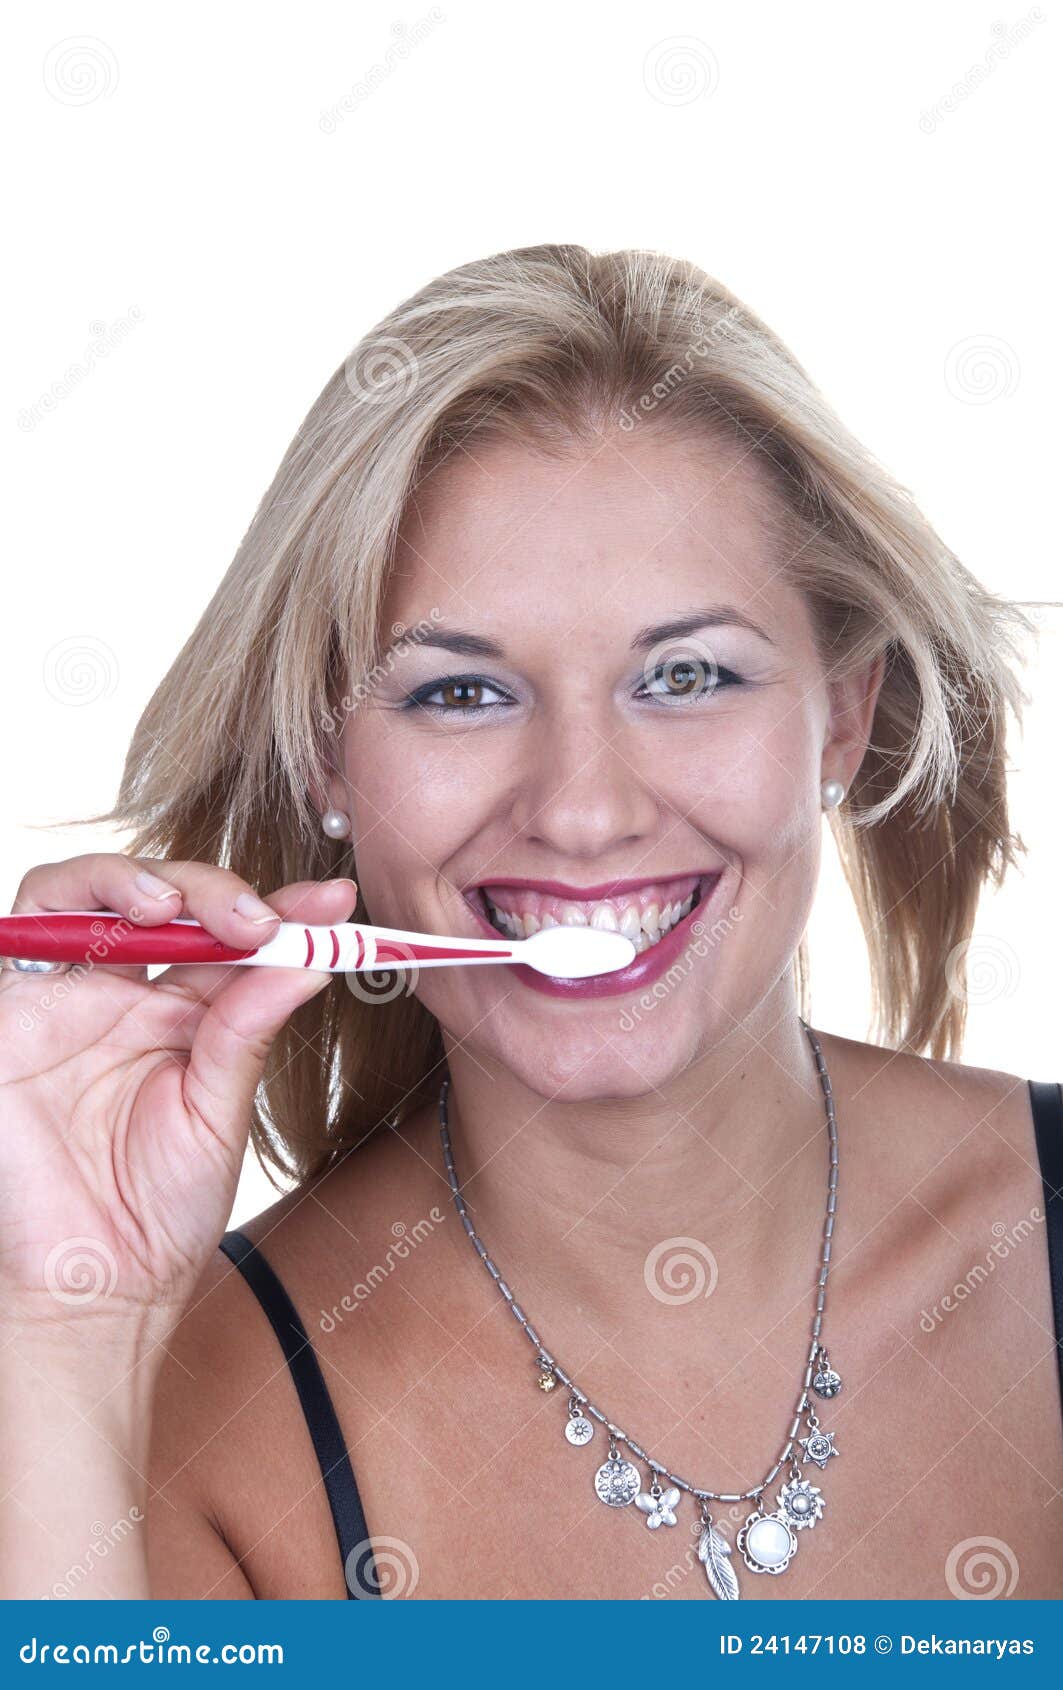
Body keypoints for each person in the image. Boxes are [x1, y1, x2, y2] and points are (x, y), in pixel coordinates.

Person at [2, 245, 1060, 1602]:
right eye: (460, 694)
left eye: (684, 674)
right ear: (328, 758)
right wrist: (62, 1326)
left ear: (841, 717)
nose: (580, 808)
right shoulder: (194, 1420)